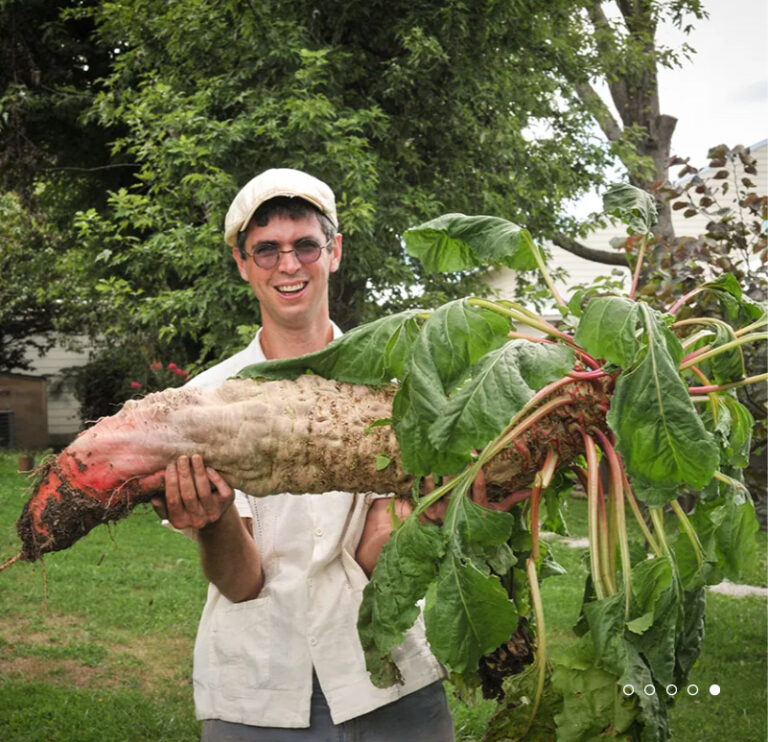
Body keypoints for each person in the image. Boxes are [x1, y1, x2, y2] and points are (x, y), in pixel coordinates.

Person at [152, 168, 455, 741]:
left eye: (305, 245)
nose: (288, 265)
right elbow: (241, 583)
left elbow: (371, 559)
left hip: (388, 681)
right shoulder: (202, 404)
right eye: (266, 250)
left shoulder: (398, 389)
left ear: (334, 251)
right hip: (258, 692)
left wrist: (426, 509)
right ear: (242, 264)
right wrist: (213, 518)